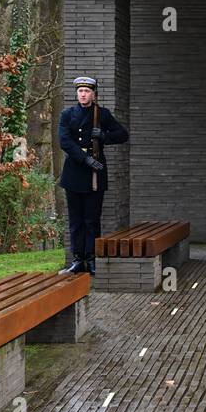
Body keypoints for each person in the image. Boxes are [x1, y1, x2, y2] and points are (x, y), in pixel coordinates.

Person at [58, 76, 129, 274]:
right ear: (77, 93)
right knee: (76, 221)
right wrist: (85, 159)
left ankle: (92, 259)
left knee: (92, 219)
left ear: (93, 94)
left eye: (87, 91)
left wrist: (105, 136)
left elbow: (123, 135)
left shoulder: (102, 114)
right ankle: (78, 260)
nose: (83, 94)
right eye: (80, 91)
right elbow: (64, 141)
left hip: (94, 175)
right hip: (74, 172)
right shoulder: (67, 114)